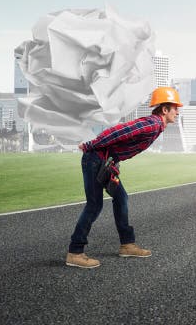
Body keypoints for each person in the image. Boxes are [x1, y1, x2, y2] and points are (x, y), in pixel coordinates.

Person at [65, 86, 183, 269]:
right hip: (95, 159)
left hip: (105, 162)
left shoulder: (157, 126)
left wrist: (113, 163)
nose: (178, 111)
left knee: (121, 198)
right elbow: (119, 131)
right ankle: (75, 252)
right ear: (165, 109)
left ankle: (127, 245)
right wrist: (91, 145)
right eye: (175, 107)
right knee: (94, 205)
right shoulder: (152, 124)